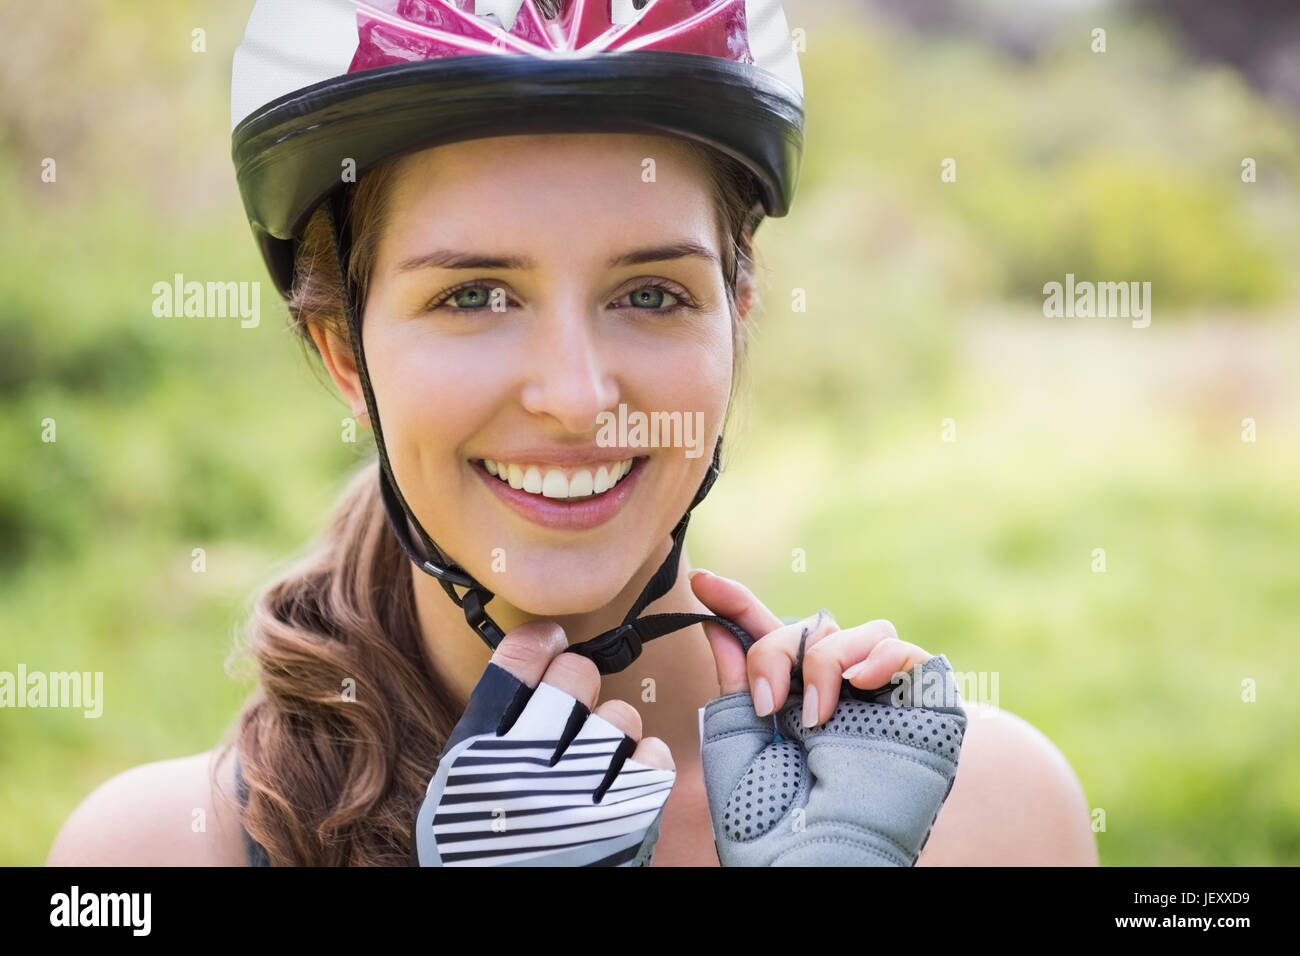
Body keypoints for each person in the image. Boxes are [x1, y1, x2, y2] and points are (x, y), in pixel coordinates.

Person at [46, 0, 1098, 867]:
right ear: (340, 352)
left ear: (738, 317)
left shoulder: (989, 812)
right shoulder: (154, 853)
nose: (577, 395)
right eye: (471, 296)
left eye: (649, 291)